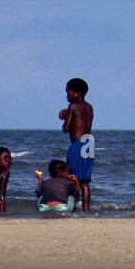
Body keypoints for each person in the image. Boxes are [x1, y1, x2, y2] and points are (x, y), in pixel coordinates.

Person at [60, 77, 94, 212]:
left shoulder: (73, 106)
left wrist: (65, 116)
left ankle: (72, 208)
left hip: (77, 144)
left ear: (76, 93)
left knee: (72, 177)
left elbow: (66, 128)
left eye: (68, 92)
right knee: (85, 181)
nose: (67, 96)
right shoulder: (89, 107)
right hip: (89, 143)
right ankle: (86, 210)